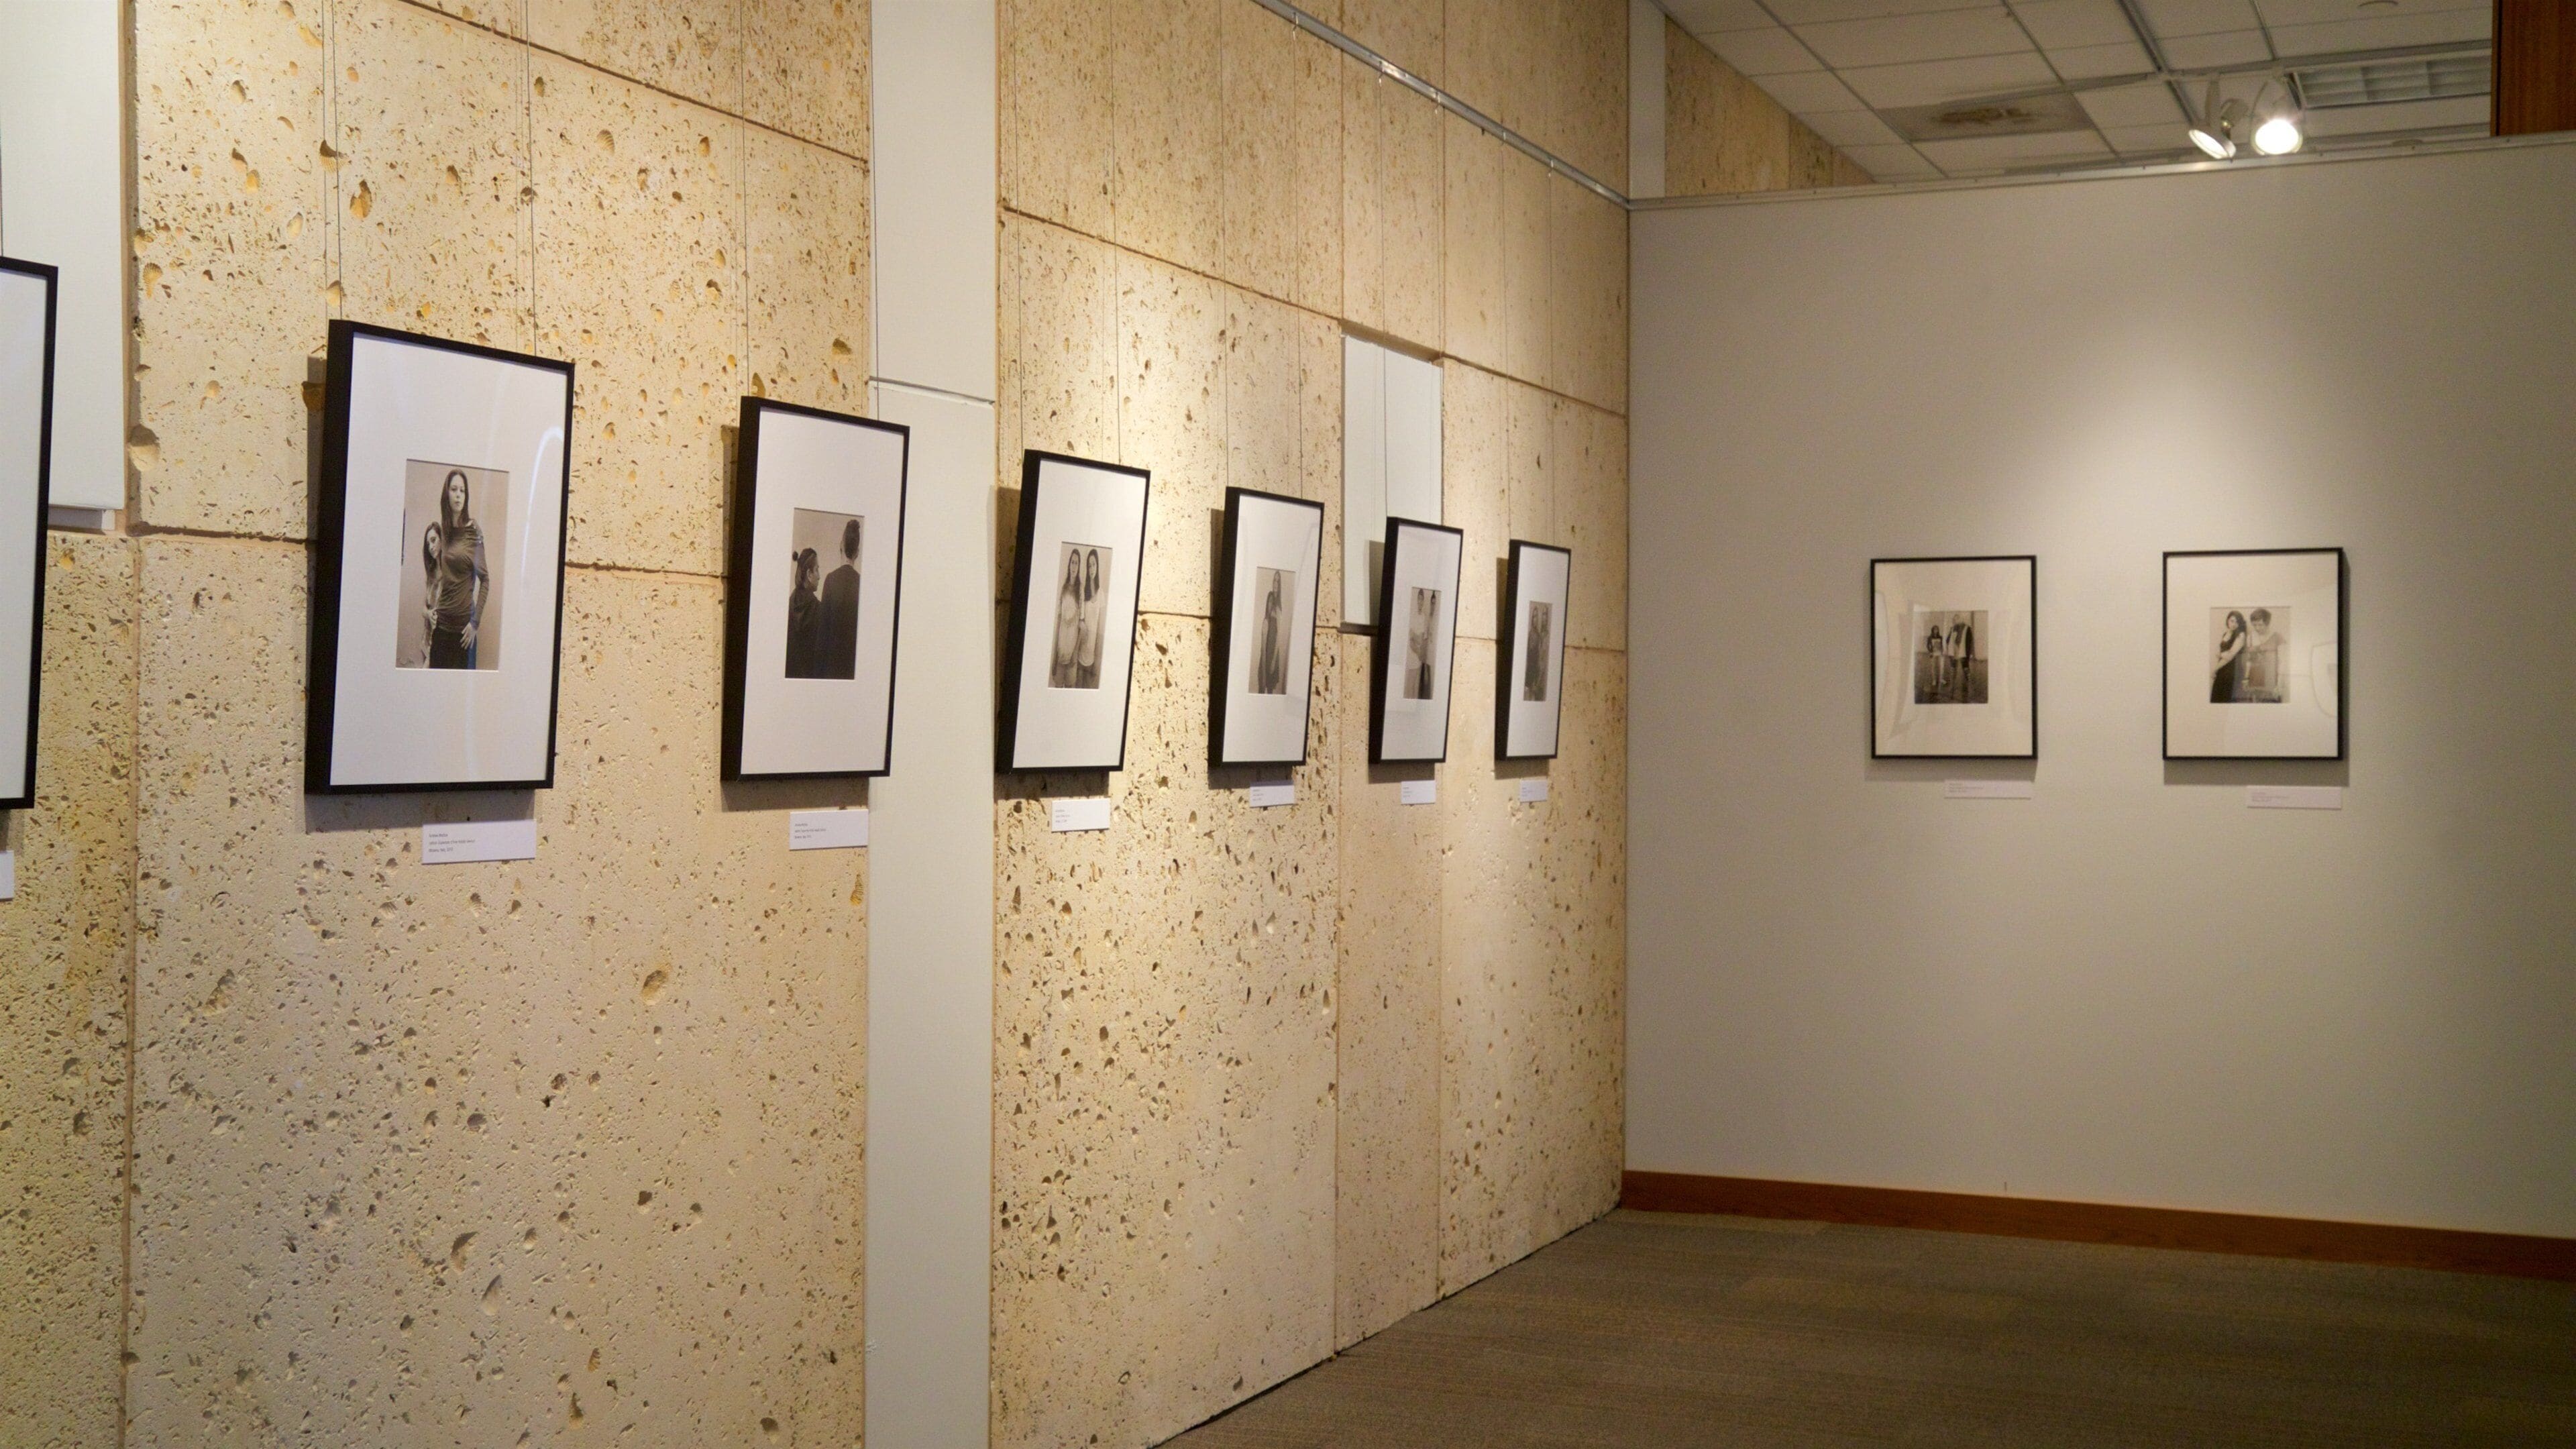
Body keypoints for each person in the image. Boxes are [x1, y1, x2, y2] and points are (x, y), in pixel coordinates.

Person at [423, 469, 489, 669]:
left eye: (463, 490)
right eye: (454, 489)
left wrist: (475, 623)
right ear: (447, 494)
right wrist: (429, 612)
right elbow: (435, 568)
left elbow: (485, 580)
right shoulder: (443, 531)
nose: (459, 495)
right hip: (441, 628)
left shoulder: (473, 531)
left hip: (463, 633)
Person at [816, 517, 862, 678]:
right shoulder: (862, 584)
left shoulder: (831, 580)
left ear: (841, 546)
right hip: (853, 672)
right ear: (857, 552)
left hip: (831, 671)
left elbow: (822, 635)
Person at [784, 549, 823, 678]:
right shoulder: (819, 609)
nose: (819, 576)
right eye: (817, 570)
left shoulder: (789, 604)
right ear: (809, 574)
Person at [1049, 549, 1085, 689]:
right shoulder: (1063, 589)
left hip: (1072, 656)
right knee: (1057, 689)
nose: (1074, 566)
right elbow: (1058, 622)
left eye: (1077, 563)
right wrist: (1054, 655)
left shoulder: (1080, 590)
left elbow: (1081, 625)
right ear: (1069, 564)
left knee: (1069, 691)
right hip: (1061, 652)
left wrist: (1075, 653)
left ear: (1079, 566)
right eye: (1072, 562)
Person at [1074, 548, 1104, 688]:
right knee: (1077, 686)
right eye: (1089, 565)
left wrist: (1097, 661)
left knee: (1088, 688)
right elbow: (1078, 618)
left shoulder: (1101, 593)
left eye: (1094, 564)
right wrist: (1081, 624)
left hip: (1092, 654)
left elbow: (1100, 629)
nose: (1092, 568)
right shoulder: (1083, 590)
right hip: (1081, 648)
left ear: (1097, 566)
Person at [2241, 607, 2284, 701]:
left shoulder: (2277, 637)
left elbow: (2282, 662)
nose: (2257, 628)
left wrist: (2280, 684)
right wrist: (2246, 679)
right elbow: (2249, 660)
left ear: (2267, 623)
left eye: (2260, 625)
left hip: (2271, 679)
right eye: (2254, 625)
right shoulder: (2250, 637)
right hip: (2254, 679)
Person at [1255, 576, 1288, 694]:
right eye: (1274, 580)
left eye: (1278, 581)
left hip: (1272, 653)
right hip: (1265, 651)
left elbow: (1279, 636)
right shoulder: (1270, 602)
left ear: (1280, 585)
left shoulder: (1278, 608)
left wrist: (1274, 660)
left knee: (1269, 688)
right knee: (1261, 684)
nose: (1275, 583)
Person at [2210, 610, 2249, 703]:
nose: (2234, 624)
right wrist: (2218, 665)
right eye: (2232, 621)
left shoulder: (2241, 635)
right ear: (2228, 620)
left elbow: (2230, 655)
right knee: (2217, 698)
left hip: (2232, 671)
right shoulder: (2226, 633)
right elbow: (2221, 652)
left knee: (2226, 699)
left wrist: (2215, 669)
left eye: (2237, 622)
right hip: (2222, 668)